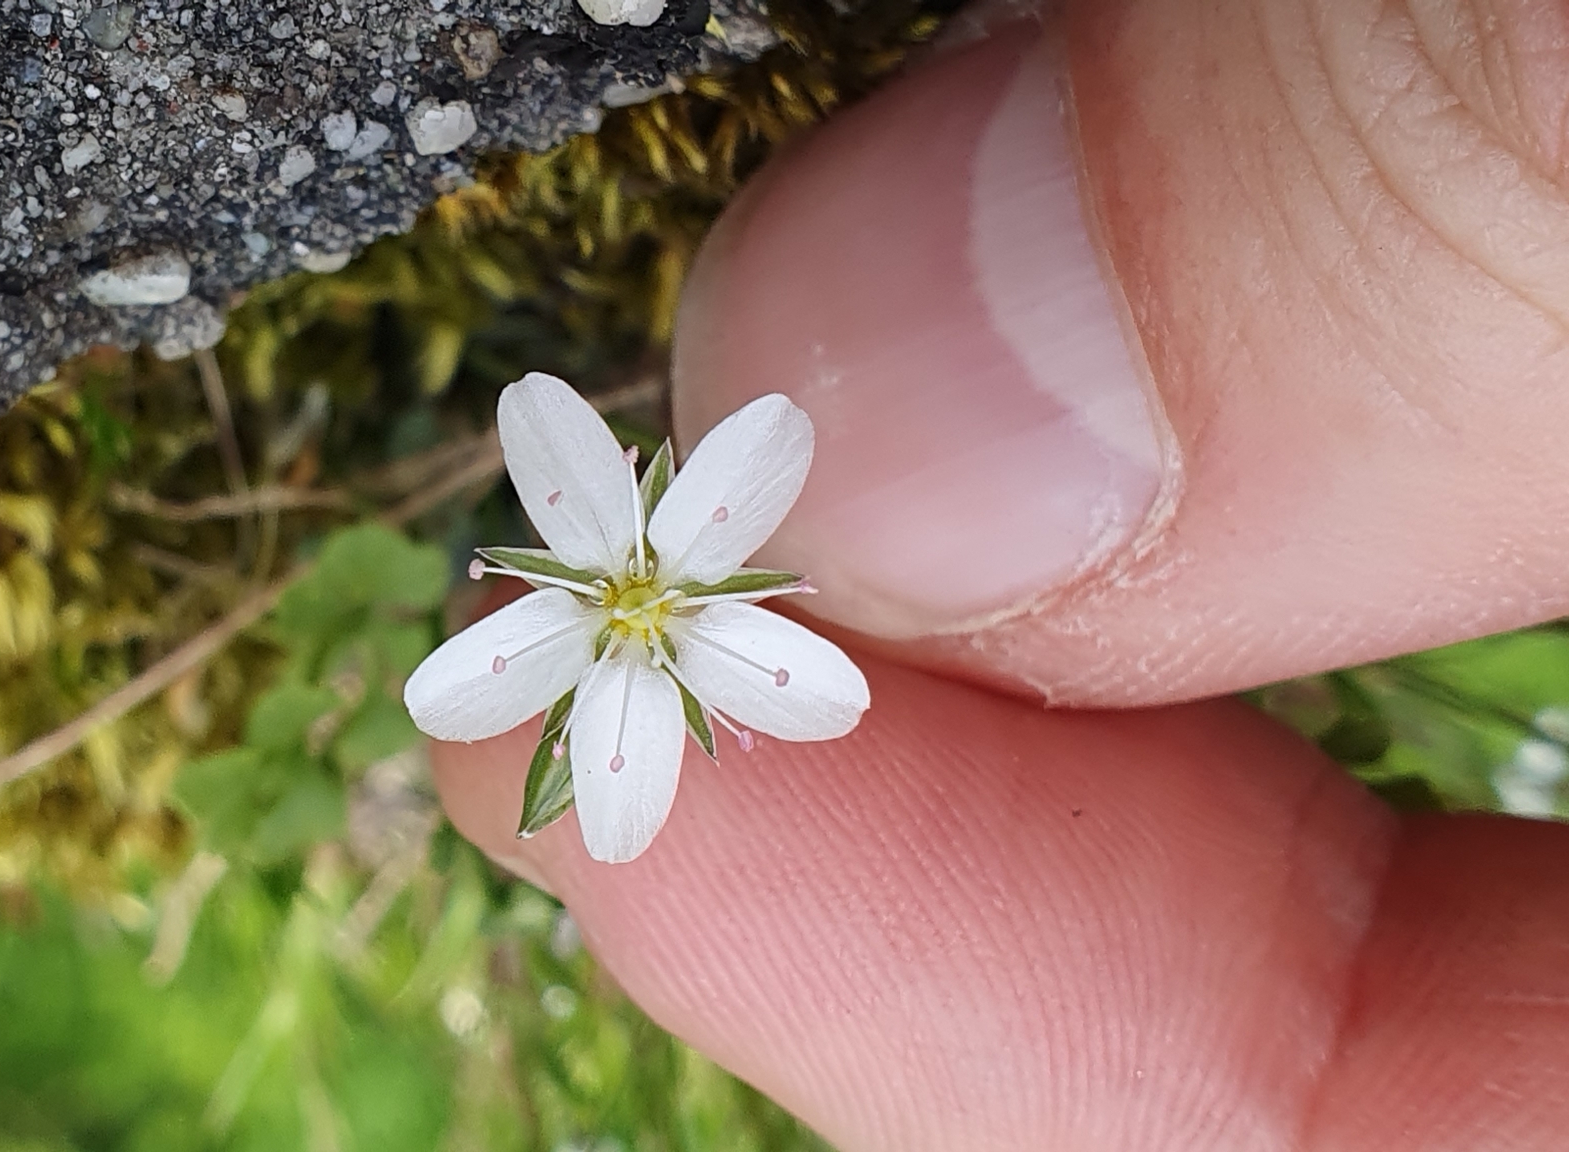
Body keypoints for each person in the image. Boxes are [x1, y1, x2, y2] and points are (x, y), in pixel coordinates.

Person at [431, 4, 1569, 1147]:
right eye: (628, 604)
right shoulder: (636, 581)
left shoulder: (677, 577)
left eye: (630, 599)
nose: (630, 602)